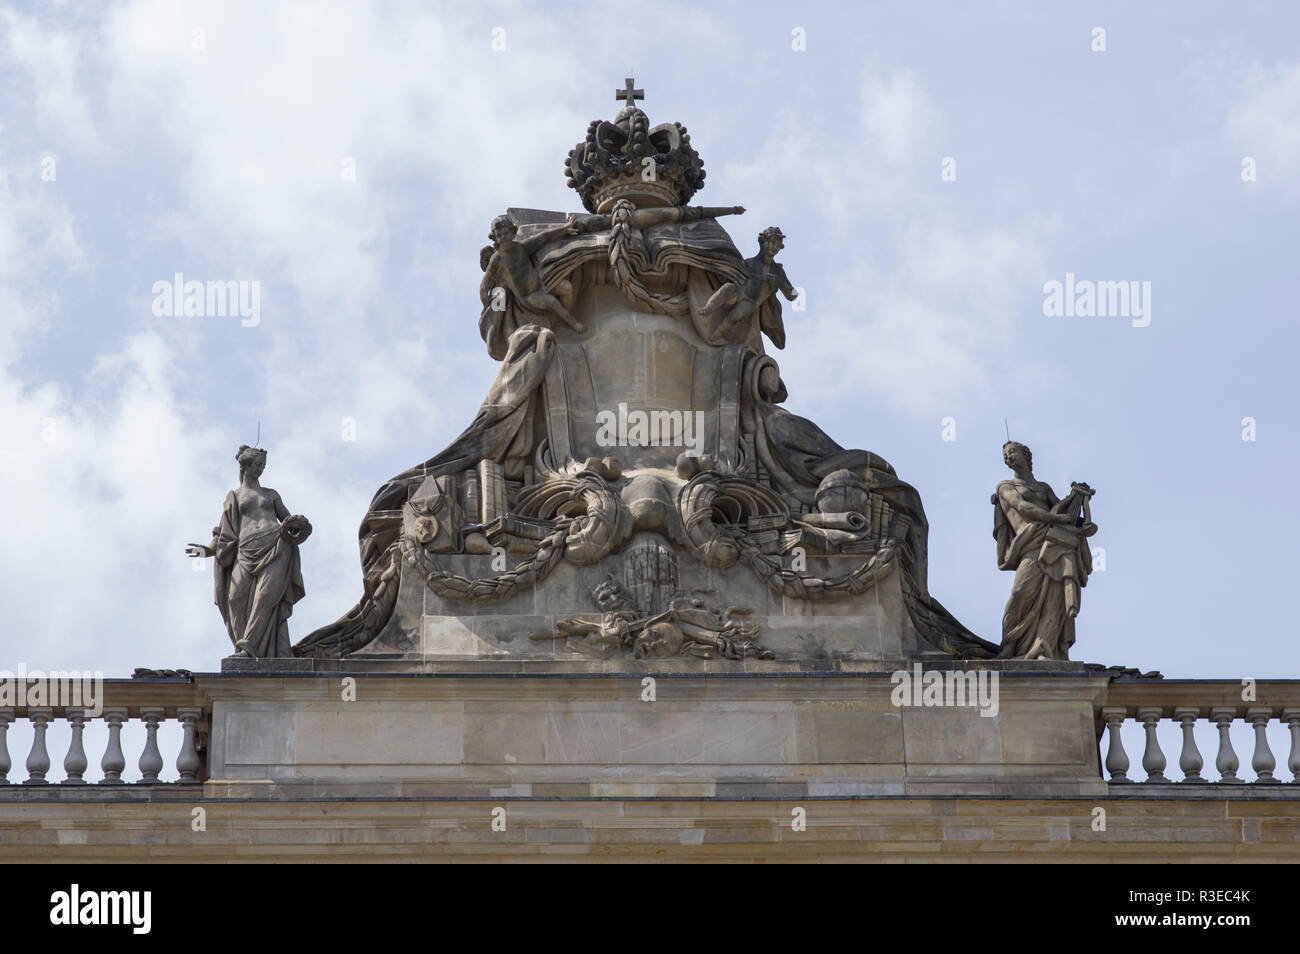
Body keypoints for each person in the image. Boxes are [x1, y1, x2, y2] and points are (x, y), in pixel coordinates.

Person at [185, 446, 311, 658]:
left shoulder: (271, 495)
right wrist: (207, 550)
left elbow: (289, 520)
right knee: (235, 597)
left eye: (263, 466)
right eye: (257, 465)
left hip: (276, 546)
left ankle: (248, 646)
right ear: (245, 466)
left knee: (265, 597)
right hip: (245, 550)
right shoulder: (234, 496)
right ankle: (242, 643)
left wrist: (297, 527)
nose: (261, 469)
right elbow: (224, 532)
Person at [992, 441, 1096, 660]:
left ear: (1026, 456)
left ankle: (1044, 647)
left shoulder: (1044, 488)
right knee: (1020, 593)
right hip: (1030, 543)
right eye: (1005, 455)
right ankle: (1010, 644)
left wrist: (1079, 504)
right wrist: (1055, 518)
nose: (1007, 457)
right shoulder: (1006, 487)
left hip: (1053, 542)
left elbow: (1065, 512)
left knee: (1054, 597)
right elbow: (1023, 508)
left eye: (1012, 452)